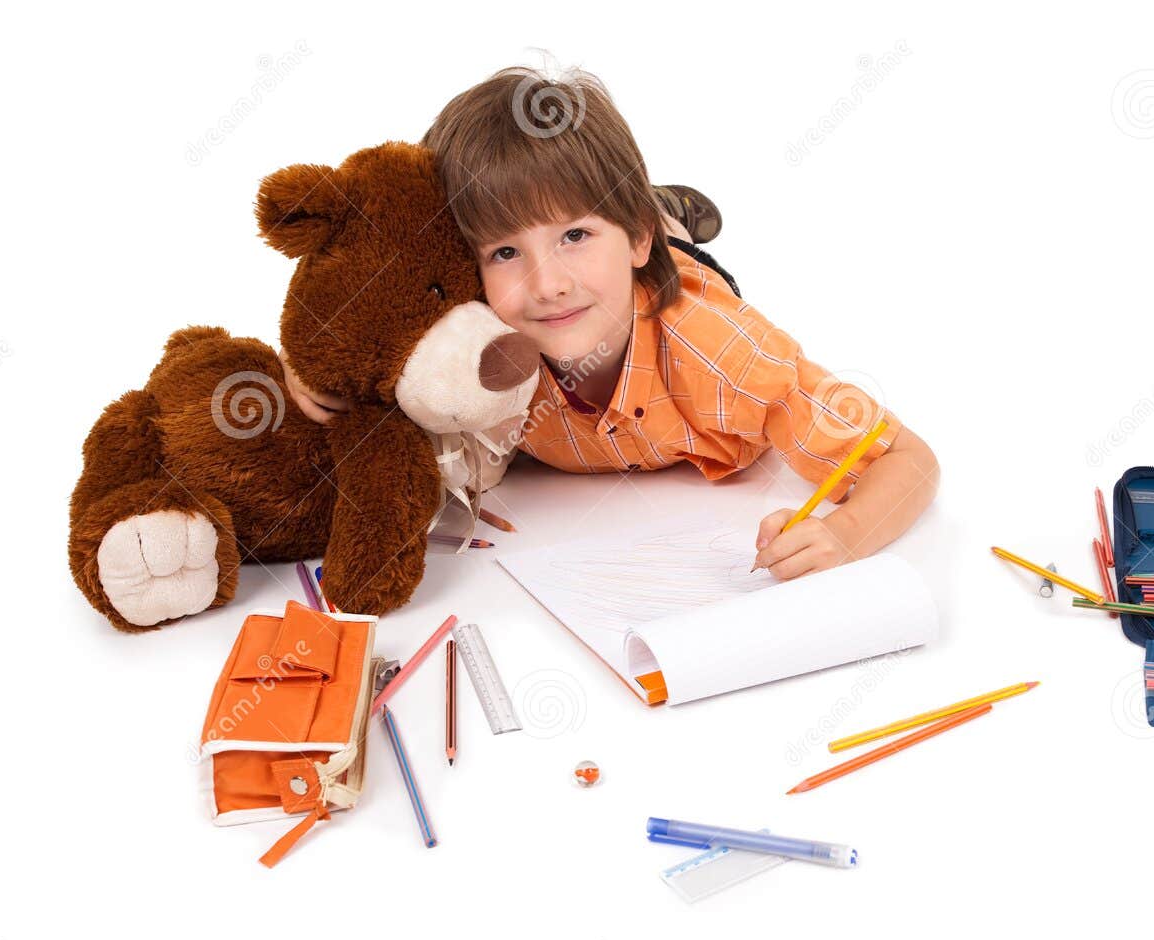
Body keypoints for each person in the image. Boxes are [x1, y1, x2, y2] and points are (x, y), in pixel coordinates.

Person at [285, 64, 938, 579]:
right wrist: (318, 374)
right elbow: (365, 328)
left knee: (675, 259)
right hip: (629, 252)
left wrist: (846, 535)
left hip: (670, 283)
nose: (547, 284)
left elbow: (910, 459)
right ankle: (624, 216)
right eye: (505, 251)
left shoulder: (726, 357)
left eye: (574, 234)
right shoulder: (474, 344)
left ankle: (667, 217)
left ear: (633, 238)